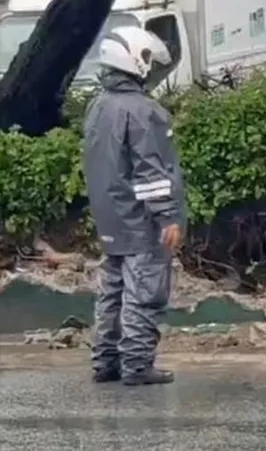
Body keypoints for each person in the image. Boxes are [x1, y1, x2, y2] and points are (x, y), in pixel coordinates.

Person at [83, 26, 185, 387]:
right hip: (142, 220)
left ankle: (106, 361)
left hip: (109, 217)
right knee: (144, 293)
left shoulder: (98, 107)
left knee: (111, 293)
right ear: (135, 61)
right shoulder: (144, 111)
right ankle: (138, 365)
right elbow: (151, 169)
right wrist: (167, 216)